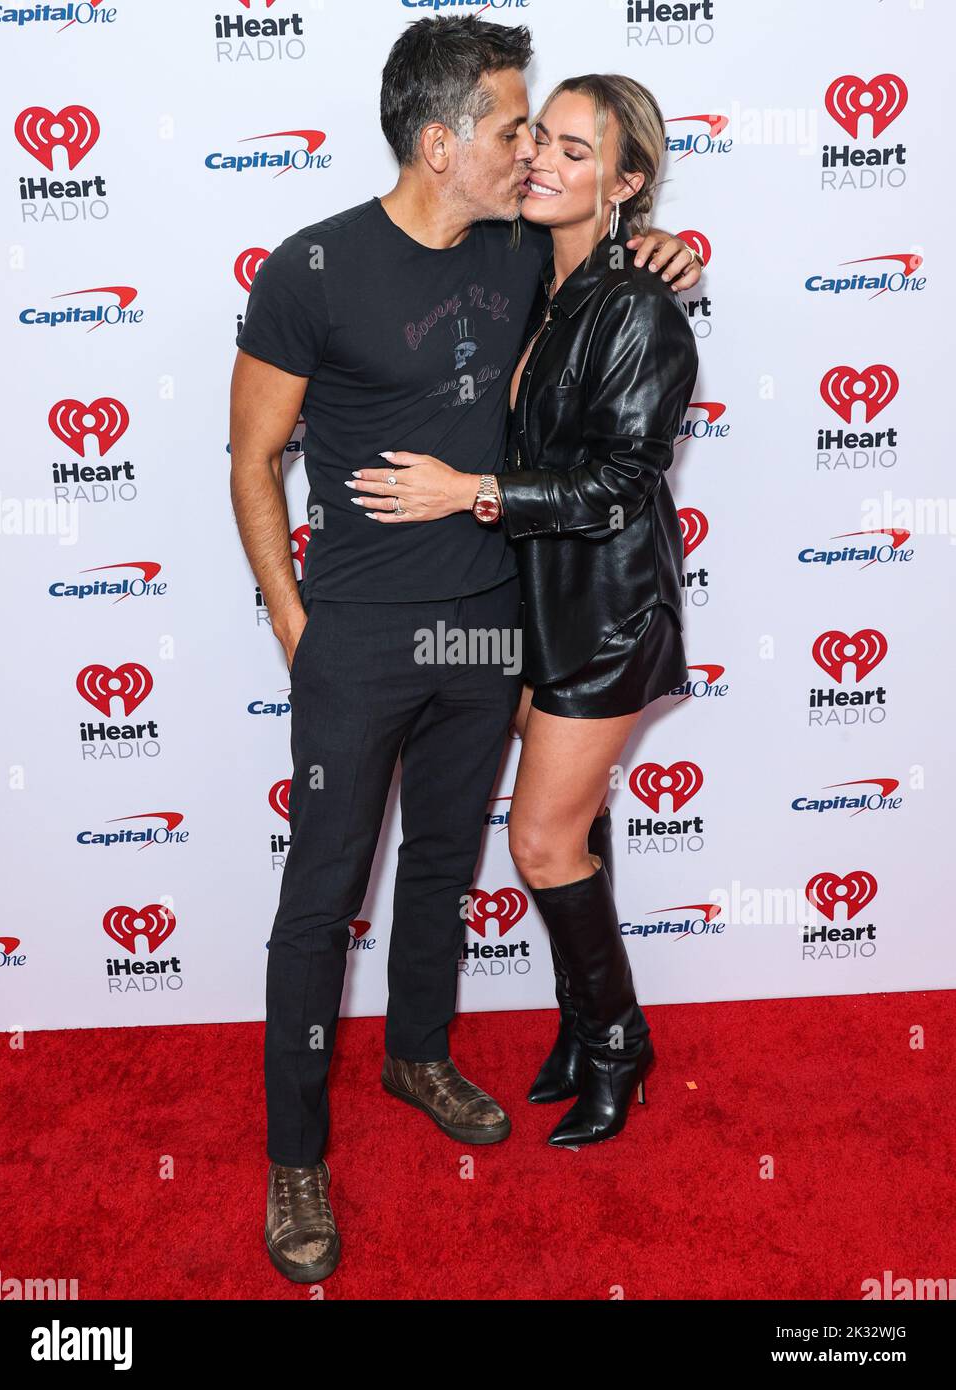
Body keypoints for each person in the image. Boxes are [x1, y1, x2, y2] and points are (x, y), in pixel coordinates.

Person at [229, 16, 702, 1283]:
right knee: (320, 901)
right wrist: (289, 612)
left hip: (493, 625)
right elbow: (250, 455)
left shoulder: (515, 255)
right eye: (510, 127)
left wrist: (666, 247)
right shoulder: (310, 268)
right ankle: (294, 1160)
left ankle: (419, 1052)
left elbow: (617, 282)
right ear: (442, 143)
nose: (526, 148)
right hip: (359, 636)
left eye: (544, 132)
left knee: (443, 863)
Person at [351, 74, 699, 1150]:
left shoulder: (637, 306)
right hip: (533, 613)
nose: (542, 158)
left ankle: (618, 1042)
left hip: (603, 620)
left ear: (626, 184)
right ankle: (580, 1025)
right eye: (538, 136)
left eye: (576, 151)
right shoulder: (531, 279)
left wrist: (470, 493)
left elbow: (615, 484)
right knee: (578, 827)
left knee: (543, 844)